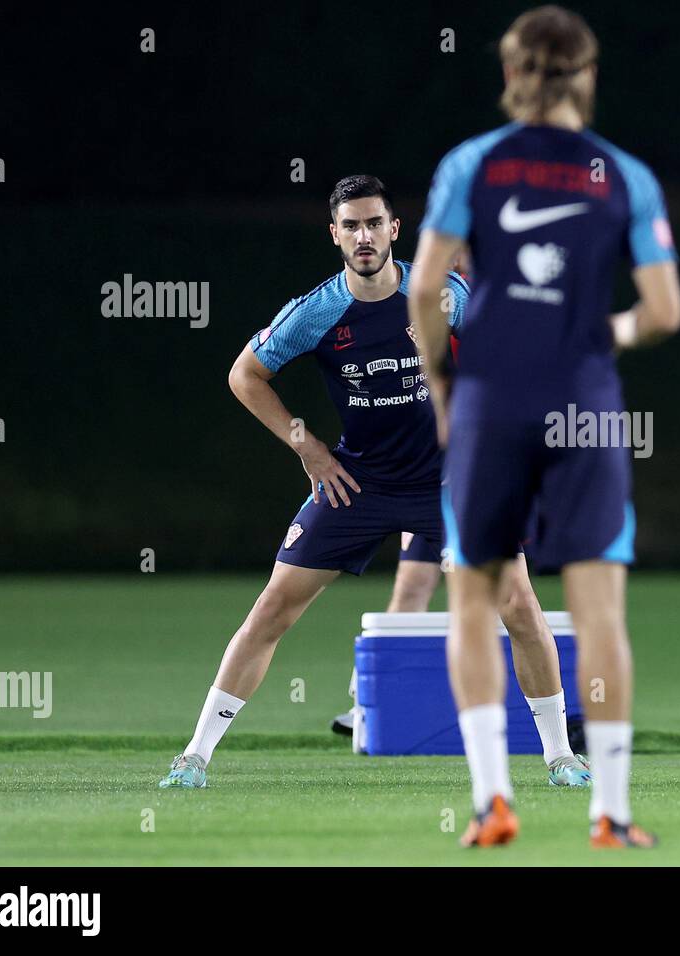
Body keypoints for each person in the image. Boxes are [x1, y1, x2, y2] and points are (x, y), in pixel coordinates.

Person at [158, 174, 590, 790]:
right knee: (273, 609)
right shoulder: (318, 312)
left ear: (394, 228)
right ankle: (194, 757)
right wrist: (307, 448)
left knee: (520, 607)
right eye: (351, 226)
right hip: (355, 484)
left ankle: (560, 758)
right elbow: (244, 376)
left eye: (374, 223)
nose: (364, 236)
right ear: (335, 235)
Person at [410, 5, 680, 848]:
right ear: (588, 76)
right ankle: (610, 810)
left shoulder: (472, 164)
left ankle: (493, 799)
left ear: (511, 76)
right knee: (598, 612)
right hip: (584, 403)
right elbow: (666, 311)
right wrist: (611, 331)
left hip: (491, 398)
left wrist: (441, 380)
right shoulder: (625, 175)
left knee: (473, 601)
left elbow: (425, 290)